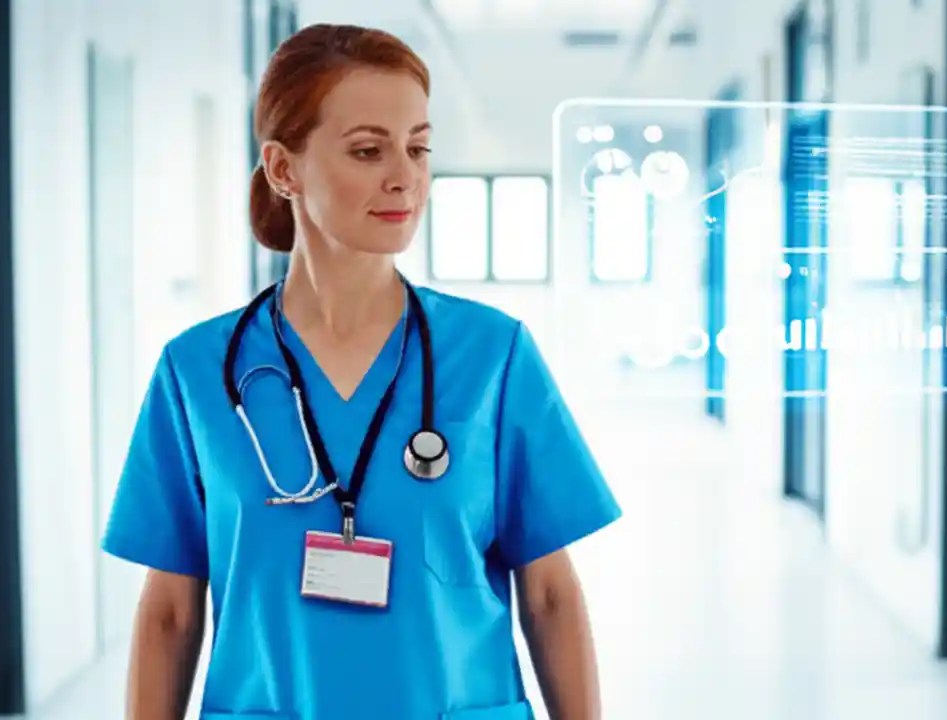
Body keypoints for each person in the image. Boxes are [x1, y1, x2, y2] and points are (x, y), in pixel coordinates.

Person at [101, 23, 622, 720]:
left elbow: (550, 593)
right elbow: (169, 610)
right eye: (369, 150)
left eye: (418, 147)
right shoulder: (197, 373)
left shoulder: (491, 355)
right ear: (284, 169)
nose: (404, 175)